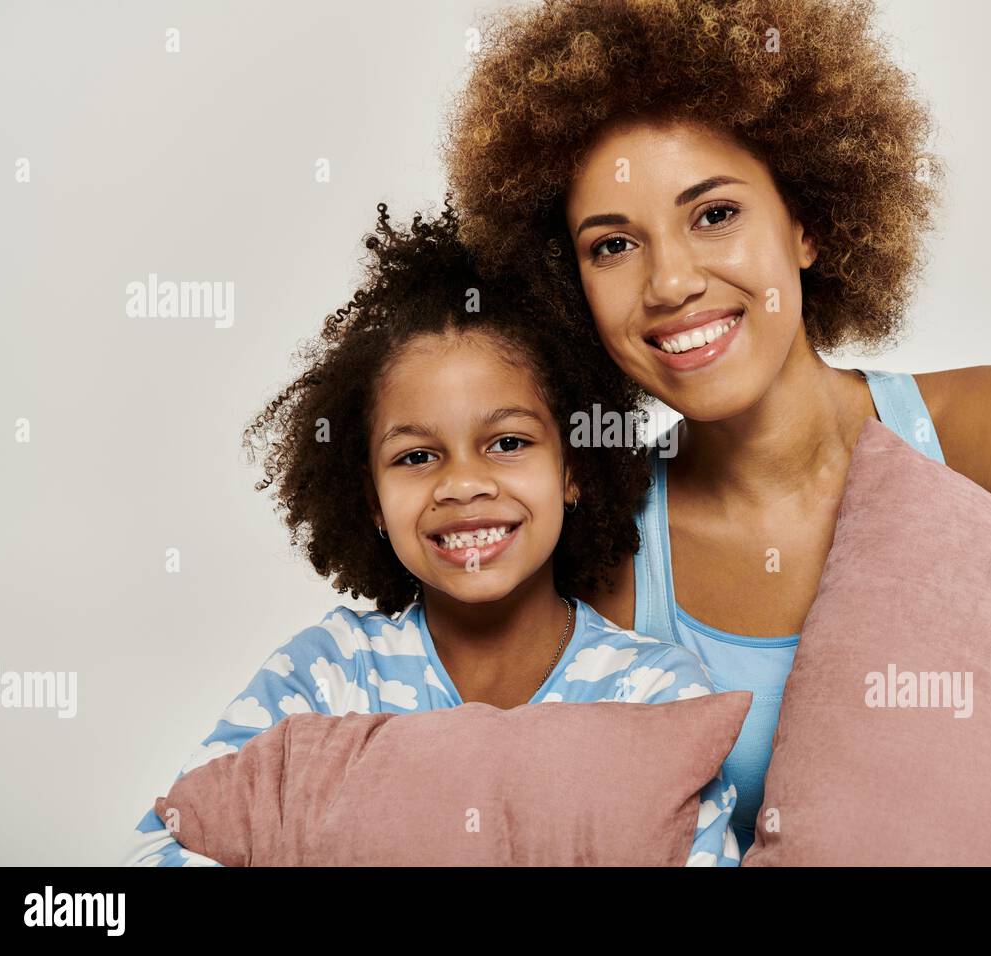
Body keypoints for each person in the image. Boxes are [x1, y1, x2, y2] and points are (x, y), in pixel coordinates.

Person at [442, 0, 991, 862]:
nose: (671, 282)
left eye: (714, 214)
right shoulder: (605, 556)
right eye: (613, 246)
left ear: (806, 222)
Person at [122, 201, 741, 867]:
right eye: (417, 457)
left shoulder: (650, 691)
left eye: (507, 442)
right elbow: (163, 846)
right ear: (374, 502)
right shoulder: (327, 674)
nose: (462, 485)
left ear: (573, 468)